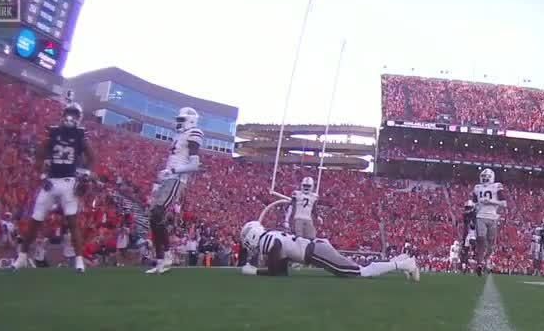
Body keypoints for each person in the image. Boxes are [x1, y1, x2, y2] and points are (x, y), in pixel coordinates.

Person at [14, 102, 95, 272]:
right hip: (51, 181)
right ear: (64, 113)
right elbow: (40, 153)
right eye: (69, 113)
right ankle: (21, 258)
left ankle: (79, 262)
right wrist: (42, 175)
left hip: (69, 182)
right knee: (35, 221)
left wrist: (84, 176)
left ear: (79, 117)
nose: (71, 116)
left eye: (74, 114)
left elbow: (92, 157)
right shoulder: (53, 131)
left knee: (72, 223)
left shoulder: (80, 134)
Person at [238, 220, 419, 281]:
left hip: (315, 252)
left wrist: (255, 272)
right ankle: (402, 259)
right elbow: (281, 272)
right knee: (358, 269)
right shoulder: (271, 236)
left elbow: (275, 271)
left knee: (360, 273)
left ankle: (403, 263)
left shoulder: (267, 241)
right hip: (315, 248)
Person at [145, 107, 203, 274]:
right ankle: (161, 259)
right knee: (153, 218)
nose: (178, 123)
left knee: (157, 213)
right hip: (167, 178)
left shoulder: (194, 133)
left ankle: (168, 254)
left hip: (177, 179)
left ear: (190, 120)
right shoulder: (178, 136)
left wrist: (172, 171)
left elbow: (194, 165)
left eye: (181, 120)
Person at [470, 167, 504, 275]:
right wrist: (472, 215)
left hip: (493, 216)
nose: (484, 179)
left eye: (487, 177)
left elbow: (503, 203)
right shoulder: (477, 187)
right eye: (483, 177)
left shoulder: (497, 186)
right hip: (480, 216)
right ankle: (479, 263)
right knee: (481, 240)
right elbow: (474, 203)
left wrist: (490, 201)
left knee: (491, 243)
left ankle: (486, 259)